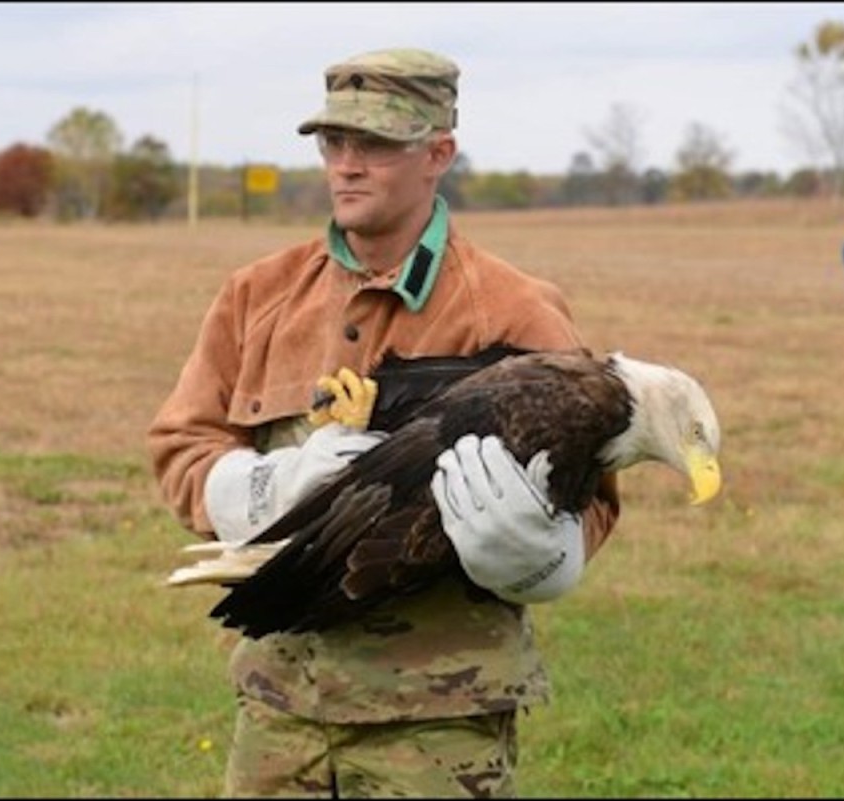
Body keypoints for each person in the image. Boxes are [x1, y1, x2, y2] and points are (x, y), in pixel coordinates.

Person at [147, 47, 621, 798]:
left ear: (439, 153)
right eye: (335, 143)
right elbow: (181, 447)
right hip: (279, 712)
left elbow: (595, 498)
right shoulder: (256, 296)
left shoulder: (514, 309)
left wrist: (536, 552)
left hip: (437, 723)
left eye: (376, 145)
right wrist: (267, 490)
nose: (347, 165)